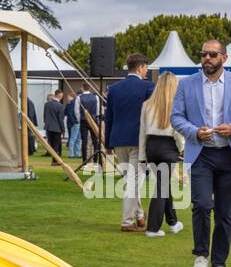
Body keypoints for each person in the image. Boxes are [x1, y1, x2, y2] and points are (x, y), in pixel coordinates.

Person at [170, 39, 231, 267]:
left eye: (212, 54)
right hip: (201, 154)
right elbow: (176, 117)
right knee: (200, 204)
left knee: (224, 213)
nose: (207, 58)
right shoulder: (187, 84)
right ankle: (200, 256)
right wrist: (193, 132)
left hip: (230, 155)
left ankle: (219, 264)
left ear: (224, 58)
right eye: (203, 54)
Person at [104, 53, 155, 232]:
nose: (146, 72)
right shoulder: (149, 87)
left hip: (118, 139)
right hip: (139, 141)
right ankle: (127, 221)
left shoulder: (114, 88)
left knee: (130, 181)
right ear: (141, 68)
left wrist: (107, 143)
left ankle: (140, 215)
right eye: (146, 68)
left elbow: (108, 117)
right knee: (134, 182)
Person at [138, 71, 185, 237]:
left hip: (152, 146)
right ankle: (153, 228)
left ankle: (173, 222)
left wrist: (142, 156)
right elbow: (178, 132)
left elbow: (142, 132)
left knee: (163, 184)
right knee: (161, 187)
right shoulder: (176, 106)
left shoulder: (147, 105)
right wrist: (182, 147)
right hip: (168, 146)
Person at [78, 83, 101, 165]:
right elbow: (98, 110)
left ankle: (84, 160)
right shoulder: (96, 97)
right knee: (95, 141)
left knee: (84, 141)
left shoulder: (79, 97)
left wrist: (79, 119)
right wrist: (96, 117)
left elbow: (76, 111)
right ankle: (95, 160)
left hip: (83, 120)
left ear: (82, 88)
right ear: (90, 88)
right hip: (94, 119)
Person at [43, 91, 64, 164]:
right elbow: (61, 119)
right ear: (60, 96)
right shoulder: (60, 106)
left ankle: (54, 159)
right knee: (56, 145)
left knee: (51, 144)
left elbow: (45, 116)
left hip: (48, 127)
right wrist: (63, 129)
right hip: (56, 128)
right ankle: (55, 160)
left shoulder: (47, 104)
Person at [63, 90, 81, 158]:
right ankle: (75, 153)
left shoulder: (70, 103)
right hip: (76, 122)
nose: (67, 98)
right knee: (76, 139)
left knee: (73, 138)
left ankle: (73, 154)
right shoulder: (73, 103)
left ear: (71, 97)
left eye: (68, 96)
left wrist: (74, 121)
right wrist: (75, 121)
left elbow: (67, 113)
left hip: (74, 123)